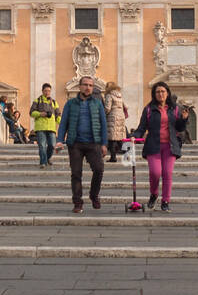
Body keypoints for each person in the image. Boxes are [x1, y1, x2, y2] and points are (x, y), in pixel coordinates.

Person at [132, 82, 188, 212]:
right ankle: (154, 194)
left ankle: (165, 201)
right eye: (158, 92)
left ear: (167, 93)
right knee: (155, 172)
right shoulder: (148, 109)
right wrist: (134, 136)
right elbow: (142, 127)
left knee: (167, 173)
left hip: (170, 146)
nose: (160, 94)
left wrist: (184, 119)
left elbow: (179, 128)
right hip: (153, 145)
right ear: (154, 94)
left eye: (163, 91)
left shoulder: (174, 109)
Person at [57, 76, 108, 212]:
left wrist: (104, 143)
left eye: (90, 85)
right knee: (76, 173)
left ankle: (93, 195)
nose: (88, 87)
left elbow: (104, 124)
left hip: (94, 143)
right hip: (75, 144)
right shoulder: (70, 104)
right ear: (79, 87)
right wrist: (59, 140)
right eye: (85, 85)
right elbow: (63, 123)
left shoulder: (97, 103)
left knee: (98, 169)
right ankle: (77, 202)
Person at [29, 83, 60, 167]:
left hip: (51, 127)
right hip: (40, 127)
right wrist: (40, 114)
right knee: (42, 145)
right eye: (45, 91)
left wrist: (62, 125)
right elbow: (31, 113)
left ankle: (47, 157)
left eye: (49, 91)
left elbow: (58, 115)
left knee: (52, 145)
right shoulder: (37, 101)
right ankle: (43, 162)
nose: (47, 92)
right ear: (42, 91)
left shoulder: (54, 102)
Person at [104, 82, 130, 162]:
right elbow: (126, 106)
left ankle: (113, 157)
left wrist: (103, 114)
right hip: (121, 117)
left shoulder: (109, 95)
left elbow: (108, 108)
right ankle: (127, 154)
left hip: (113, 117)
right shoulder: (119, 95)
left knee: (112, 139)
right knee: (119, 138)